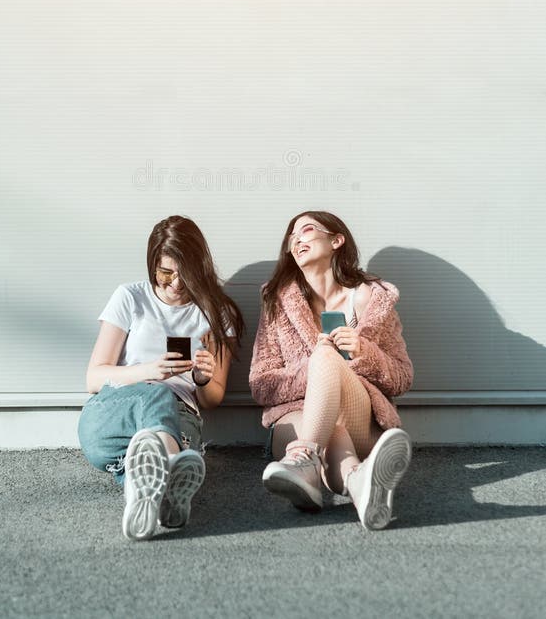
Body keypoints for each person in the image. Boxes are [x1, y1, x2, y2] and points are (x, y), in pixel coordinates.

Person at [78, 215, 244, 541]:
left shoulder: (217, 310)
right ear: (152, 264)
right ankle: (171, 465)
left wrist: (200, 379)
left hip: (181, 415)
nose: (176, 284)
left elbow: (212, 399)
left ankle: (150, 494)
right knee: (156, 394)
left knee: (140, 463)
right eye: (165, 273)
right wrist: (150, 372)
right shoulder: (131, 297)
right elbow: (94, 377)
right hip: (117, 410)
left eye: (186, 273)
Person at [249, 211, 414, 530]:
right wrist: (312, 370)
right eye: (291, 237)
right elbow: (261, 384)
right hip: (292, 418)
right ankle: (359, 483)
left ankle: (304, 460)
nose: (297, 240)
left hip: (361, 417)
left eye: (307, 230)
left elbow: (402, 376)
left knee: (325, 355)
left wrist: (362, 351)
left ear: (336, 240)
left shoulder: (371, 300)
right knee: (329, 423)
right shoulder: (277, 302)